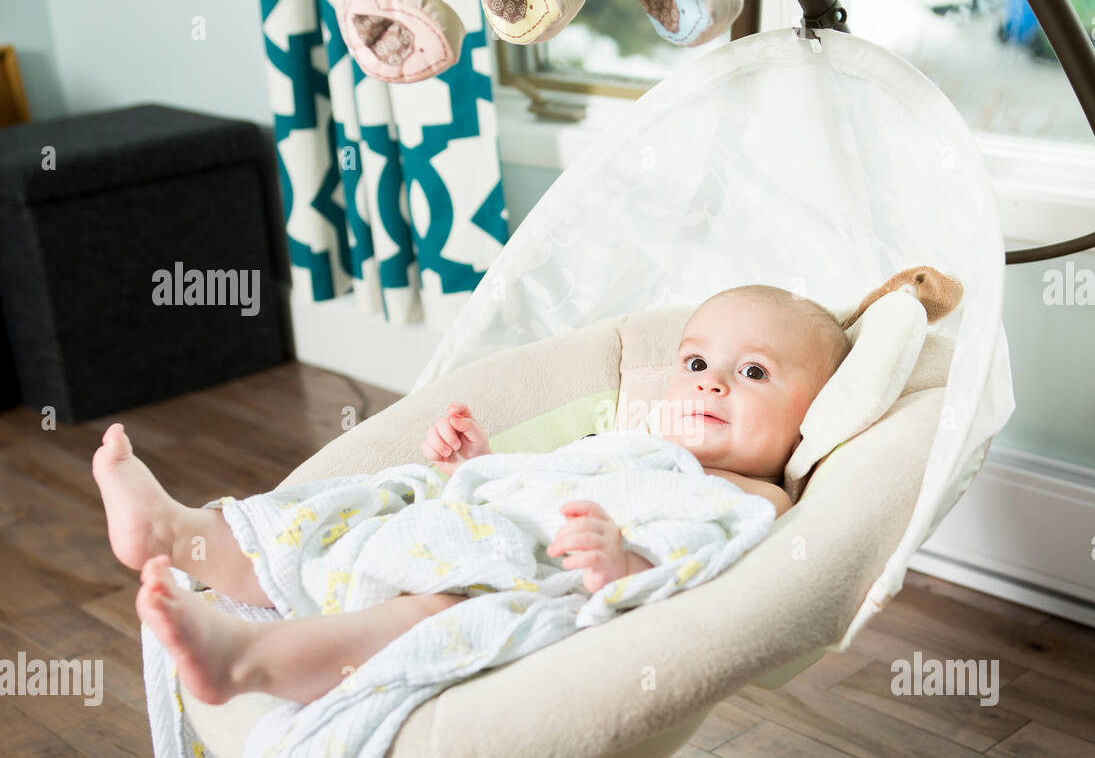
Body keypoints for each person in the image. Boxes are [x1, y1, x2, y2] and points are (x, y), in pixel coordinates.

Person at [91, 285, 852, 707]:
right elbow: (547, 477)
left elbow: (698, 563)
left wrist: (627, 562)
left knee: (435, 614)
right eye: (695, 361)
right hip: (480, 521)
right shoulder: (638, 440)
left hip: (527, 576)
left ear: (811, 417)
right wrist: (481, 465)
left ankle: (253, 656)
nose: (711, 381)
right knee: (365, 502)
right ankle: (184, 534)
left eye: (753, 373)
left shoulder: (750, 497)